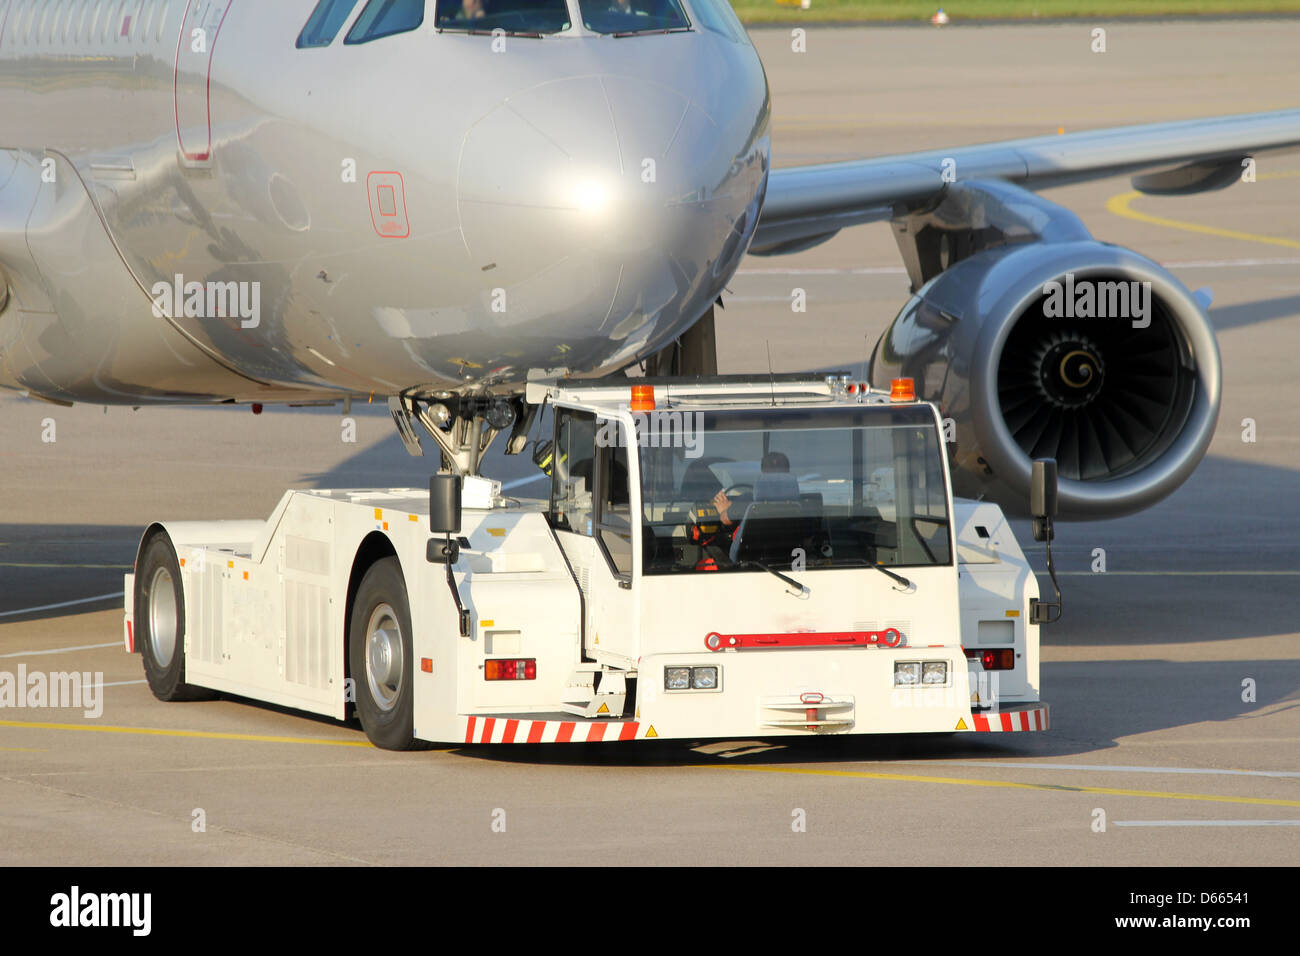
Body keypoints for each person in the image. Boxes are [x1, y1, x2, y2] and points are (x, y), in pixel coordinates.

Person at [711, 451, 796, 527]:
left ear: (762, 471)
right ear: (788, 471)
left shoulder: (748, 503)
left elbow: (726, 520)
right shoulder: (802, 505)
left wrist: (725, 509)